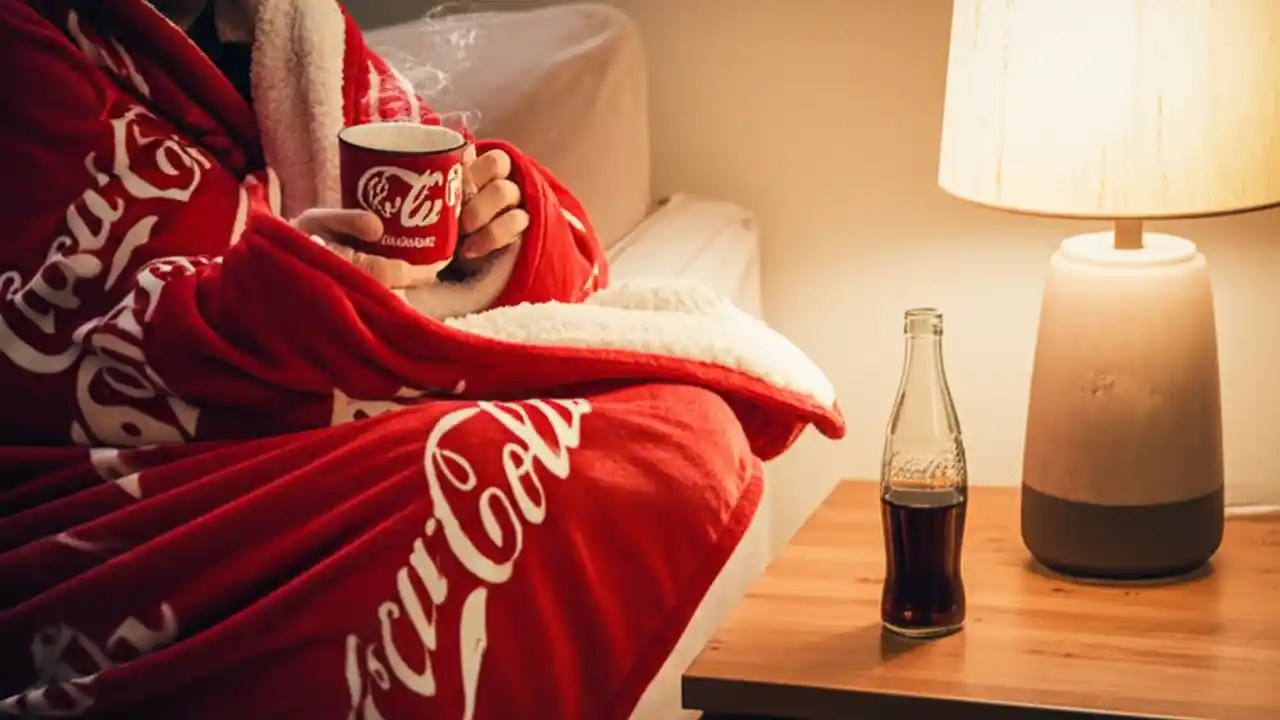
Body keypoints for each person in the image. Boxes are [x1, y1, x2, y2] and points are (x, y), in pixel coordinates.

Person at [0, 0, 605, 445]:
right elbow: (46, 352)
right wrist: (284, 299)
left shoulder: (298, 29)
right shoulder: (27, 49)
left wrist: (489, 237)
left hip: (359, 388)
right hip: (192, 449)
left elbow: (560, 269)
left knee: (664, 428)